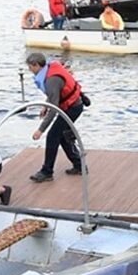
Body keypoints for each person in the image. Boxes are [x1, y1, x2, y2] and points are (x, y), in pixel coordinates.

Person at [26, 53, 84, 182]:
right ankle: (79, 165)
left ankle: (47, 172)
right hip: (72, 105)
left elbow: (54, 108)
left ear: (36, 65)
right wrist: (45, 106)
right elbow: (54, 95)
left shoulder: (51, 79)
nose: (29, 70)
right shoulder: (49, 69)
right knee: (62, 135)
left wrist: (41, 130)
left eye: (30, 67)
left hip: (73, 108)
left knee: (52, 136)